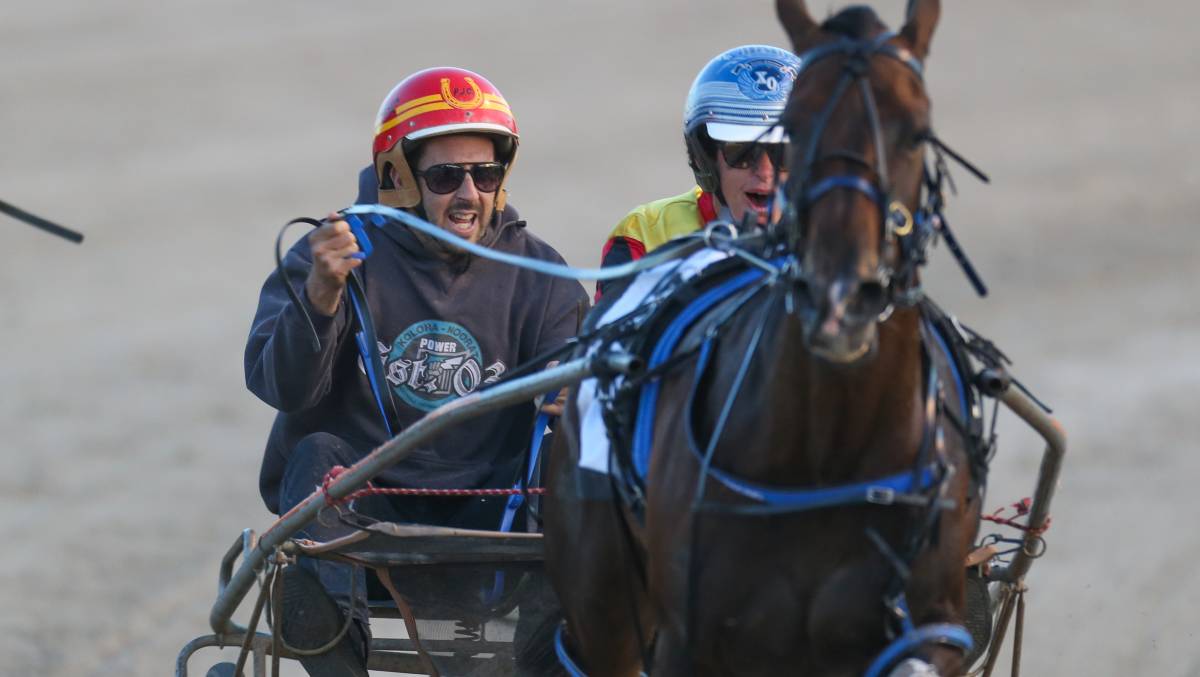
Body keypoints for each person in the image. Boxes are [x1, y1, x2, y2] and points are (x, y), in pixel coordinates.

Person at [245, 66, 588, 676]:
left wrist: (573, 391)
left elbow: (577, 388)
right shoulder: (336, 253)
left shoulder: (542, 275)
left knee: (571, 448)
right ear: (398, 178)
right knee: (316, 450)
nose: (468, 193)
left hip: (497, 515)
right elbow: (282, 389)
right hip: (363, 518)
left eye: (484, 173)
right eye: (445, 175)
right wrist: (322, 295)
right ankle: (330, 649)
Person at [597, 45, 801, 297]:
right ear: (707, 159)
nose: (765, 172)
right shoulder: (645, 235)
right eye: (743, 152)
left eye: (786, 154)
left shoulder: (846, 241)